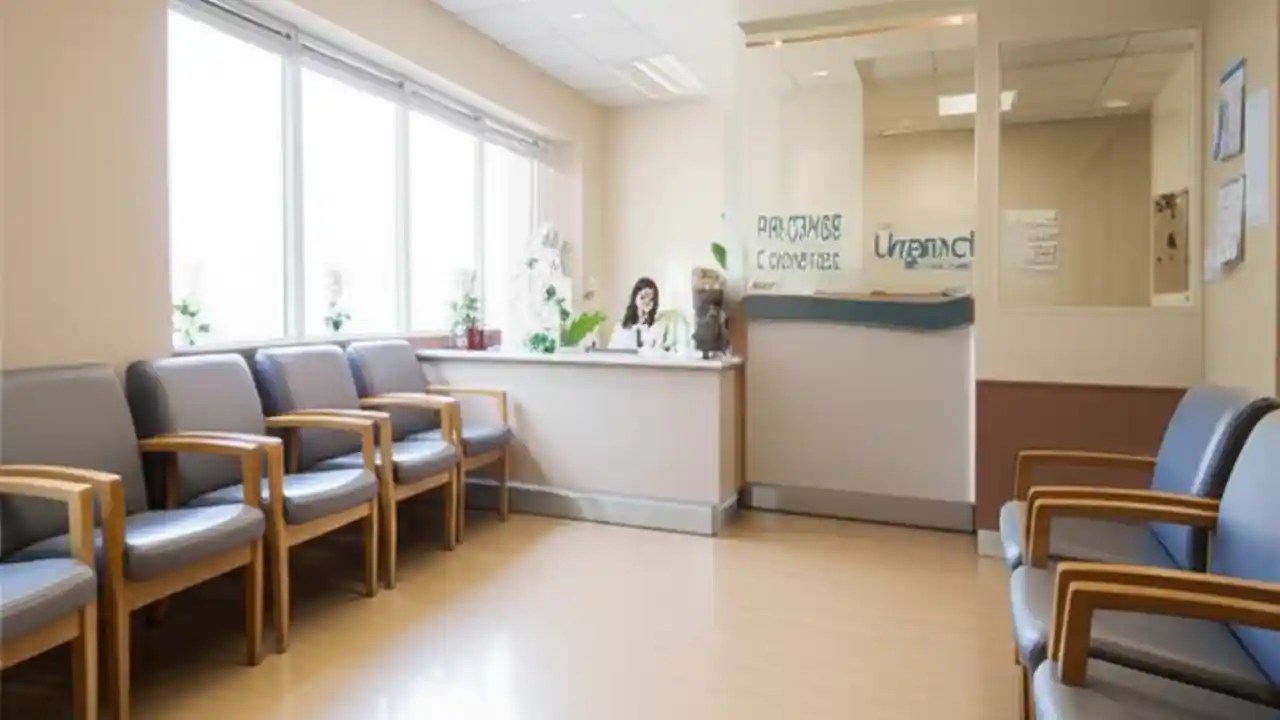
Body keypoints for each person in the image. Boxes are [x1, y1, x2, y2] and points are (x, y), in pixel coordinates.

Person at [608, 277, 659, 350]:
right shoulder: (621, 327)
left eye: (651, 299)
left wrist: (646, 319)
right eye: (643, 297)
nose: (646, 302)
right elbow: (612, 351)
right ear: (635, 296)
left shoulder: (656, 327)